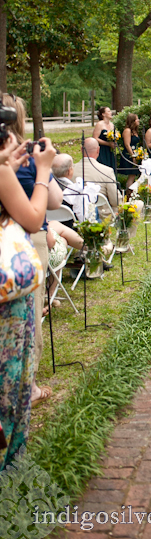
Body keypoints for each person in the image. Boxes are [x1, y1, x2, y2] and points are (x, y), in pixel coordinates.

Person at [0, 130, 56, 469]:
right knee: (11, 377)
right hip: (7, 291)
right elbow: (35, 218)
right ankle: (12, 463)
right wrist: (43, 170)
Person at [2, 94, 62, 404]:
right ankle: (26, 387)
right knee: (23, 320)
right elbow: (41, 212)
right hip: (17, 249)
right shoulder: (9, 169)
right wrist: (43, 170)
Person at [72, 138, 121, 219]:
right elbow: (115, 201)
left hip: (75, 216)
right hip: (103, 216)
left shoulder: (71, 170)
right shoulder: (107, 171)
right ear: (98, 150)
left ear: (81, 149)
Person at [118, 113, 141, 192]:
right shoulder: (127, 130)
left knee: (133, 174)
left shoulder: (134, 130)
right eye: (137, 119)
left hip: (136, 153)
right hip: (129, 154)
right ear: (133, 121)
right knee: (131, 174)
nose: (138, 120)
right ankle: (129, 192)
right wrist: (133, 156)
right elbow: (127, 145)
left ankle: (133, 191)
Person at [92, 106, 117, 170]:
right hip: (102, 149)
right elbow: (95, 138)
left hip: (110, 150)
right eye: (108, 111)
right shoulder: (100, 124)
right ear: (103, 114)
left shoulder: (112, 125)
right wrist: (108, 144)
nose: (111, 113)